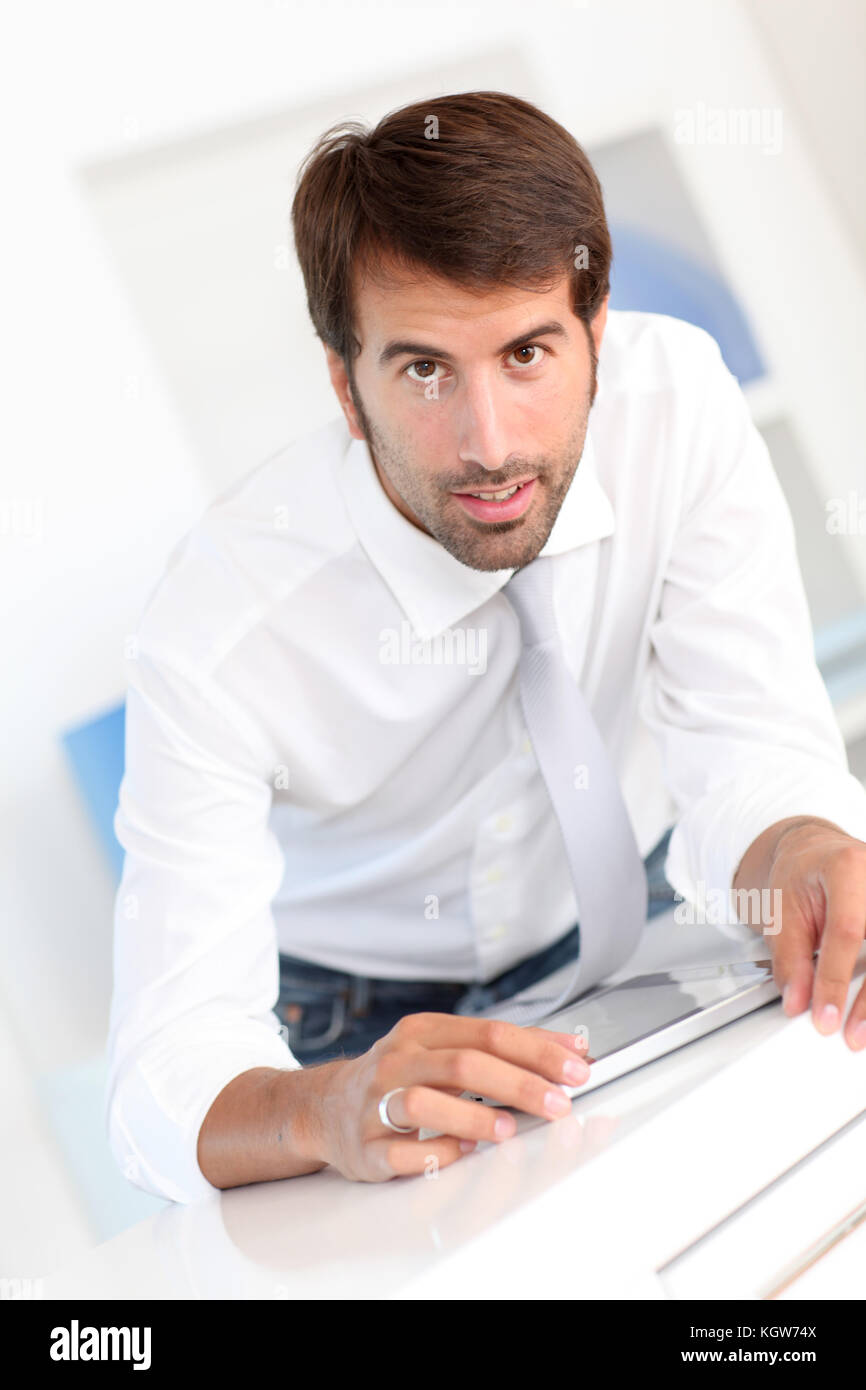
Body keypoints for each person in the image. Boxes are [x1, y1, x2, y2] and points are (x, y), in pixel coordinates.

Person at [106, 91, 866, 1205]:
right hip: (352, 1021)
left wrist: (801, 843)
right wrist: (319, 1102)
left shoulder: (679, 408)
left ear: (594, 329)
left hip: (649, 902)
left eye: (526, 352)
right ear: (343, 383)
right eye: (421, 370)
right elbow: (162, 1068)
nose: (490, 443)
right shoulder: (219, 627)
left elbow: (746, 745)